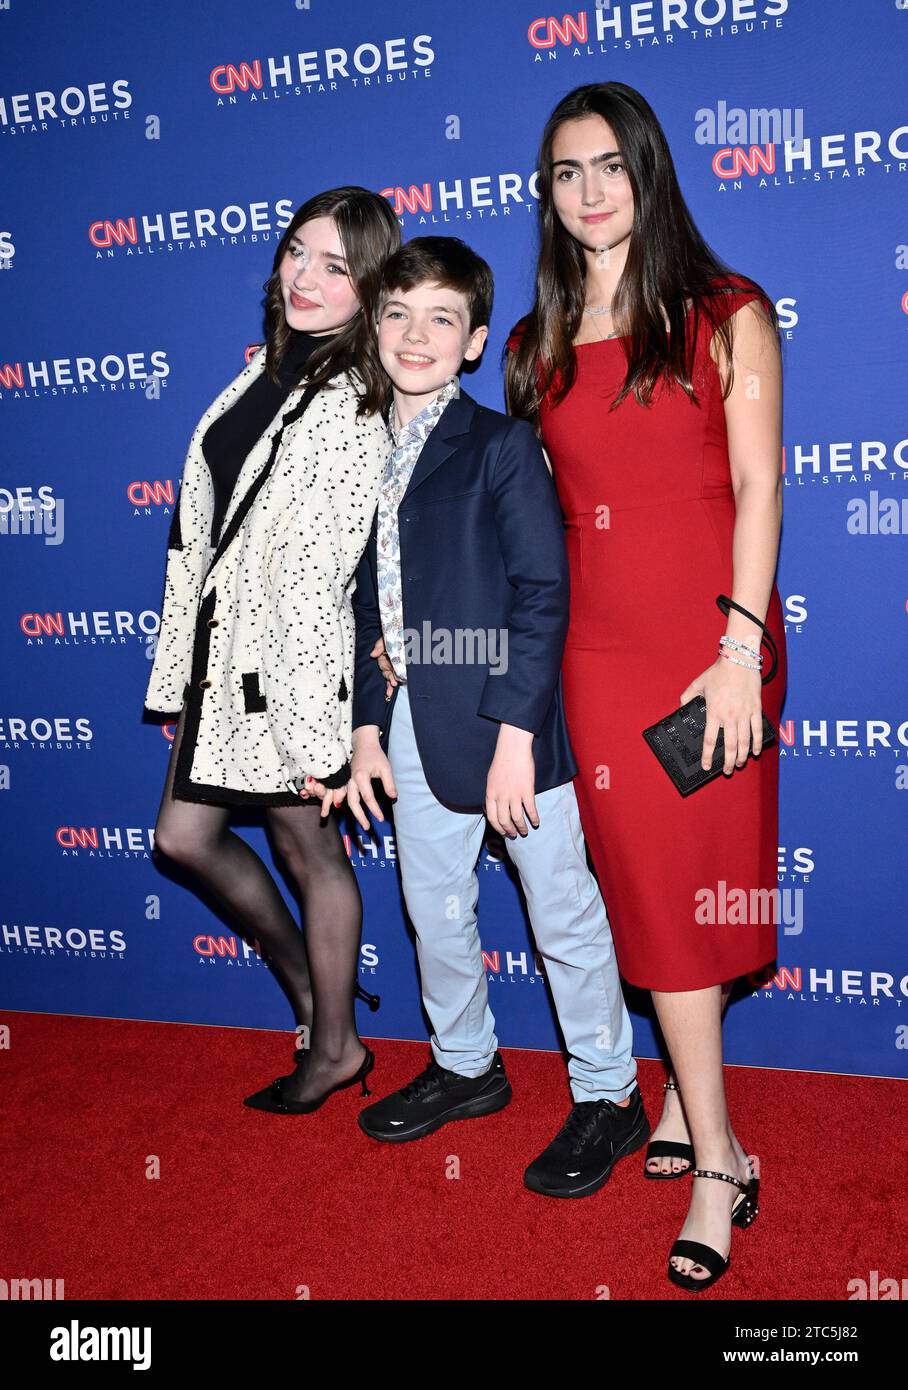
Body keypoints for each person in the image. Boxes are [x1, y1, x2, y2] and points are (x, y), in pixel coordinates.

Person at [505, 82, 787, 1289]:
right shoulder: (533, 345)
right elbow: (532, 528)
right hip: (595, 658)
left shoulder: (725, 312)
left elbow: (759, 490)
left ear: (650, 171)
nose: (590, 191)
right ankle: (684, 1104)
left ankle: (719, 1159)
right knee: (655, 908)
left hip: (709, 648)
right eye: (566, 172)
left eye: (610, 165)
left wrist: (736, 648)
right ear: (547, 193)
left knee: (692, 905)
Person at [344, 236, 646, 1198]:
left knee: (562, 914)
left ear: (475, 341)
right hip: (411, 724)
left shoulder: (502, 445)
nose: (416, 334)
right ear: (374, 328)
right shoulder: (360, 453)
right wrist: (362, 727)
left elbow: (540, 594)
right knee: (434, 910)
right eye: (397, 314)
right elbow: (364, 606)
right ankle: (468, 1065)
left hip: (515, 732)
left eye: (442, 317)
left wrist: (519, 737)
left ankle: (610, 1094)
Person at [144, 187, 400, 1115]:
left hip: (288, 676)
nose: (308, 276)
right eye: (299, 252)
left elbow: (324, 573)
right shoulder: (263, 372)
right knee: (184, 838)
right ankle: (313, 994)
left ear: (371, 289)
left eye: (338, 266)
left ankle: (333, 1044)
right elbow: (198, 536)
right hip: (224, 660)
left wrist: (309, 727)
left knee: (311, 855)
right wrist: (183, 668)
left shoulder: (354, 397)